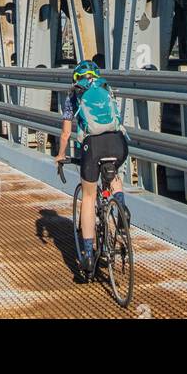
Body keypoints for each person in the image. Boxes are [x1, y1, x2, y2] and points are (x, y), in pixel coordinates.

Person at [54, 59, 129, 272]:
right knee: (114, 177)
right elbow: (118, 119)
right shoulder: (106, 88)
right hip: (117, 142)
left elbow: (66, 133)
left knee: (88, 196)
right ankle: (121, 207)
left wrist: (60, 155)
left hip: (93, 146)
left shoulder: (73, 96)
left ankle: (87, 255)